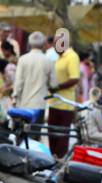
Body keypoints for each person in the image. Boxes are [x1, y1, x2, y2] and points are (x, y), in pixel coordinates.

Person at [47, 28, 81, 157]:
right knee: (51, 135)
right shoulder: (58, 57)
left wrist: (57, 87)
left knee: (62, 137)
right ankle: (52, 161)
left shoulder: (72, 56)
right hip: (53, 102)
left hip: (66, 104)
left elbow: (74, 78)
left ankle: (60, 162)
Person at [12, 31, 50, 112]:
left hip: (24, 103)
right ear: (43, 45)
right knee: (37, 125)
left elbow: (18, 82)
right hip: (40, 104)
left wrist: (15, 98)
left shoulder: (22, 59)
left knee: (23, 124)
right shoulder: (48, 61)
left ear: (29, 44)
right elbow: (53, 84)